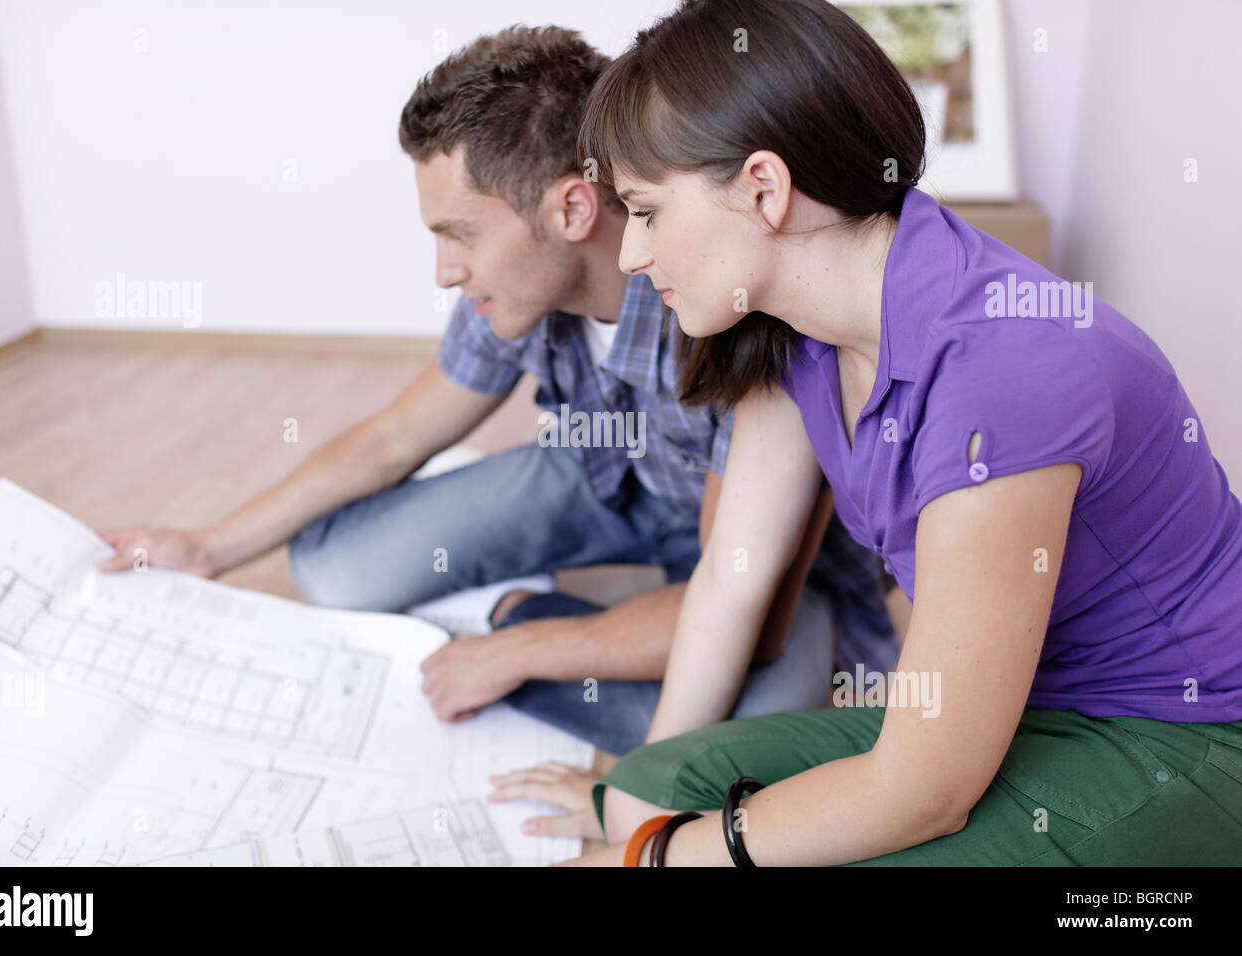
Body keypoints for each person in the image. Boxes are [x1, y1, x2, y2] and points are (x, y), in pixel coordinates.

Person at [92, 24, 900, 768]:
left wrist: (516, 649)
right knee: (332, 569)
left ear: (571, 208)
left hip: (751, 552)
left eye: (459, 235)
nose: (445, 271)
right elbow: (391, 439)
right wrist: (206, 547)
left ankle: (517, 617)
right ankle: (566, 624)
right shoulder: (512, 289)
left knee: (760, 726)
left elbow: (744, 611)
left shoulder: (727, 300)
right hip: (596, 476)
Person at [558, 0, 1242, 865]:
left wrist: (655, 862)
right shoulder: (790, 329)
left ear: (763, 189)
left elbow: (925, 792)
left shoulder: (1004, 370)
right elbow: (734, 583)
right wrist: (643, 806)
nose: (630, 256)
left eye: (647, 212)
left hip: (1188, 734)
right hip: (1015, 703)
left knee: (721, 847)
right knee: (641, 800)